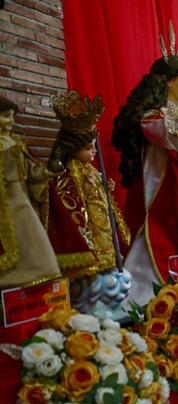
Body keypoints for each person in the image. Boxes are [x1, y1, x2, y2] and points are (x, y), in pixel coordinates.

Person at [112, 33, 178, 306]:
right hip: (162, 203)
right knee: (152, 261)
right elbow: (170, 138)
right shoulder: (155, 115)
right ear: (168, 81)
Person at [47, 90, 132, 313]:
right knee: (94, 279)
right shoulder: (68, 177)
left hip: (102, 226)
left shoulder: (89, 170)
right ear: (72, 149)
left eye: (94, 146)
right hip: (90, 231)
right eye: (88, 148)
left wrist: (104, 188)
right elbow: (72, 204)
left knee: (111, 272)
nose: (94, 152)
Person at [0, 96, 60, 288]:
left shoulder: (15, 141)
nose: (11, 122)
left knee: (35, 244)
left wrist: (44, 172)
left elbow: (29, 170)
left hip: (21, 198)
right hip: (7, 202)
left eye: (12, 117)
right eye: (6, 117)